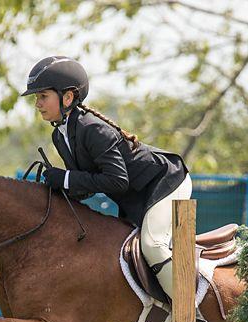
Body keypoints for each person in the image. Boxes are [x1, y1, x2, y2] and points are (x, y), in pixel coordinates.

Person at [20, 55, 192, 301]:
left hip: (166, 182)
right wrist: (58, 188)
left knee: (153, 246)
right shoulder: (60, 135)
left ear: (67, 97)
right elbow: (86, 186)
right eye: (37, 98)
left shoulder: (92, 129)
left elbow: (117, 181)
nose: (38, 104)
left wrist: (66, 179)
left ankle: (189, 309)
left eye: (43, 96)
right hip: (135, 196)